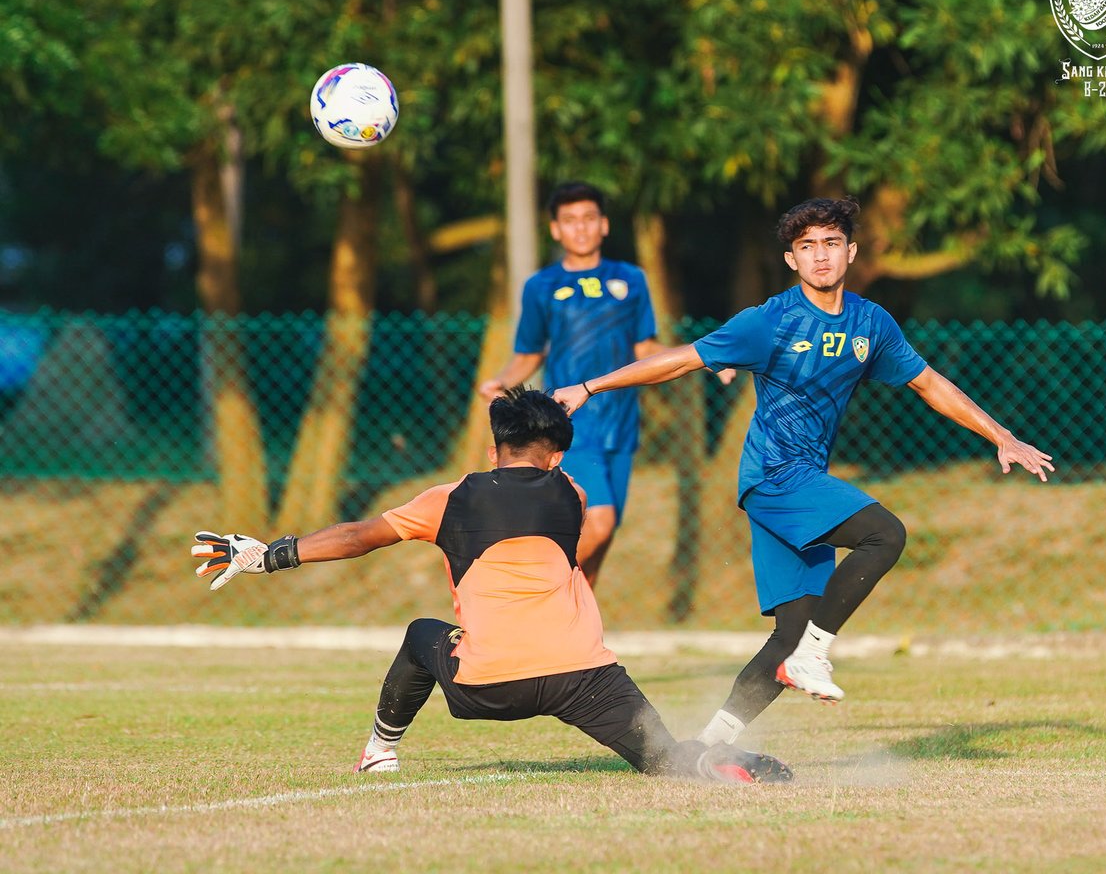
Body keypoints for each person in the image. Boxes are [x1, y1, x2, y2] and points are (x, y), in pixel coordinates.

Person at [553, 196, 1054, 748]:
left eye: (831, 244)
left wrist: (1002, 436)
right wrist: (589, 386)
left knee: (789, 635)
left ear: (851, 253)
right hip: (773, 476)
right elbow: (680, 361)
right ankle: (816, 655)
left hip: (797, 480)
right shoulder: (770, 320)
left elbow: (929, 384)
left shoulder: (870, 322)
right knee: (885, 533)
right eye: (807, 246)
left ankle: (704, 748)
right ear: (792, 260)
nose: (820, 256)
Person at [190, 386, 792, 784]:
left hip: (490, 687)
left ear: (493, 447)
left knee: (422, 633)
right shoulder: (574, 494)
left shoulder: (448, 499)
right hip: (583, 676)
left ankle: (380, 750)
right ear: (556, 456)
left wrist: (270, 555)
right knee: (664, 759)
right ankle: (717, 764)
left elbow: (358, 536)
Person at [477, 181, 661, 588]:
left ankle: (577, 644)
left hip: (622, 423)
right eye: (570, 221)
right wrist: (501, 382)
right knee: (599, 520)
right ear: (556, 230)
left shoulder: (630, 279)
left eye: (589, 219)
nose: (581, 228)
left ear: (605, 225)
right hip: (570, 423)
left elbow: (646, 346)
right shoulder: (541, 286)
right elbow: (529, 353)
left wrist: (705, 359)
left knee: (598, 546)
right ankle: (524, 592)